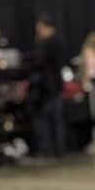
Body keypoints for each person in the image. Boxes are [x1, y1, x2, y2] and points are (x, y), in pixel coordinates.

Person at [30, 13, 67, 159]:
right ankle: (60, 149)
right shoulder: (60, 43)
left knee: (45, 120)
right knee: (58, 121)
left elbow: (38, 62)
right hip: (57, 85)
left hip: (46, 87)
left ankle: (47, 149)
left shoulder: (45, 44)